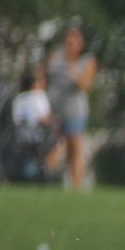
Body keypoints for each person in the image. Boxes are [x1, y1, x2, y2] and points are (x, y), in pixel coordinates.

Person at [46, 25, 97, 188]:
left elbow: (87, 85)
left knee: (74, 149)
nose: (71, 42)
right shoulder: (55, 56)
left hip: (75, 111)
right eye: (69, 37)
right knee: (55, 146)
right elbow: (47, 77)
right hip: (56, 110)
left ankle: (76, 185)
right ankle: (47, 181)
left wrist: (74, 72)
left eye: (75, 38)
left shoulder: (86, 61)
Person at [10, 67, 55, 173]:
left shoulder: (18, 99)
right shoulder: (39, 96)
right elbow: (44, 119)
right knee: (60, 141)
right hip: (38, 137)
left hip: (20, 138)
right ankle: (47, 170)